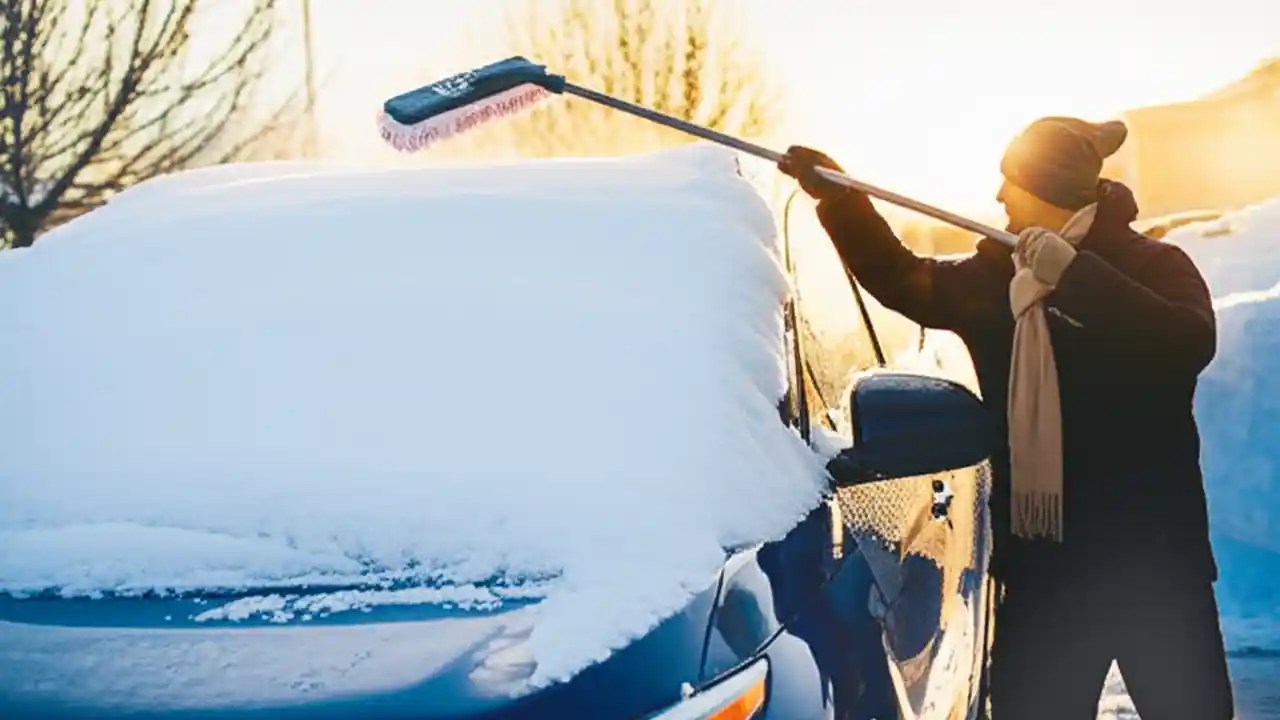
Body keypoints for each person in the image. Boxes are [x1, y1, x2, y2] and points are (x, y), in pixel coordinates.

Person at [780, 117, 1235, 719]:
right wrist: (841, 200)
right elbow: (903, 279)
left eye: (1010, 184)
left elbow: (1186, 343)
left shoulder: (1155, 264)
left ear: (1045, 186)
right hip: (1048, 574)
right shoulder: (998, 275)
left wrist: (1072, 275)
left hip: (1155, 572)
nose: (997, 199)